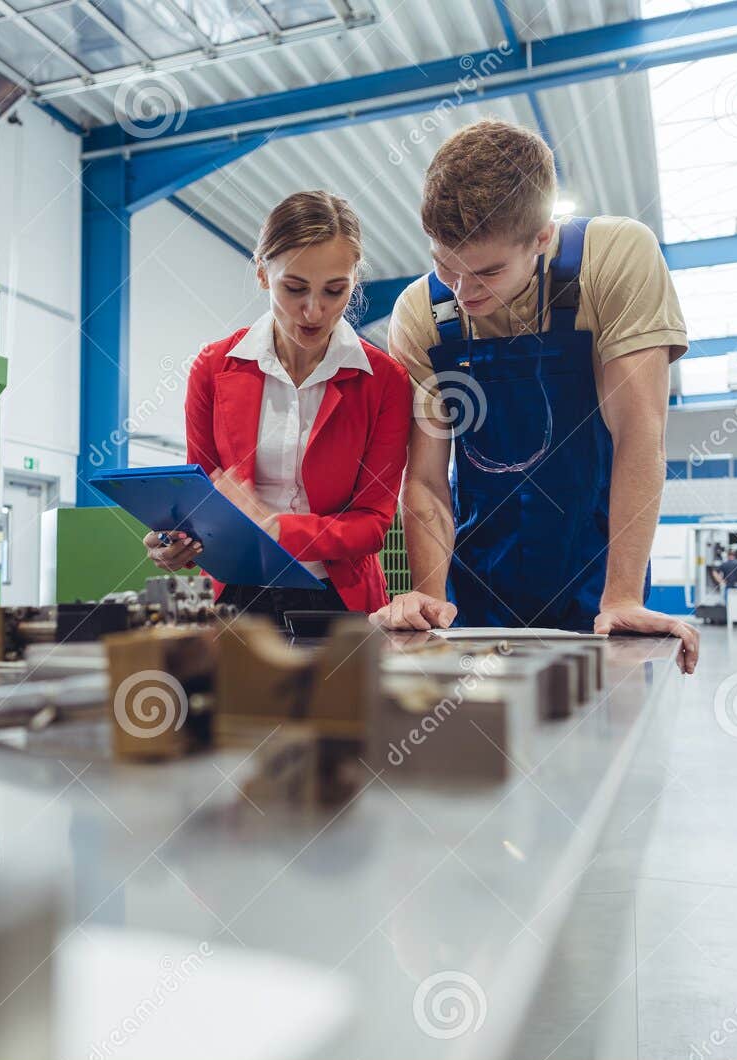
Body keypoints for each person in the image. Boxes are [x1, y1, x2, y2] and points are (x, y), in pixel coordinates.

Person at [372, 119, 699, 673]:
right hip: (478, 584)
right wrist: (428, 596)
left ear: (543, 237)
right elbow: (425, 478)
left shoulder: (614, 259)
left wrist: (622, 595)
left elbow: (640, 438)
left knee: (598, 722)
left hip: (598, 578)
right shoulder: (420, 312)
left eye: (487, 272)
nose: (463, 292)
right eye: (445, 266)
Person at [143, 191, 412, 622]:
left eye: (335, 290)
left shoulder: (385, 382)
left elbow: (373, 523)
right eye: (294, 288)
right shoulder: (212, 368)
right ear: (262, 274)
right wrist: (173, 541)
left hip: (341, 601)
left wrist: (279, 529)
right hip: (237, 598)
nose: (314, 311)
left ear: (354, 281)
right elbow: (202, 496)